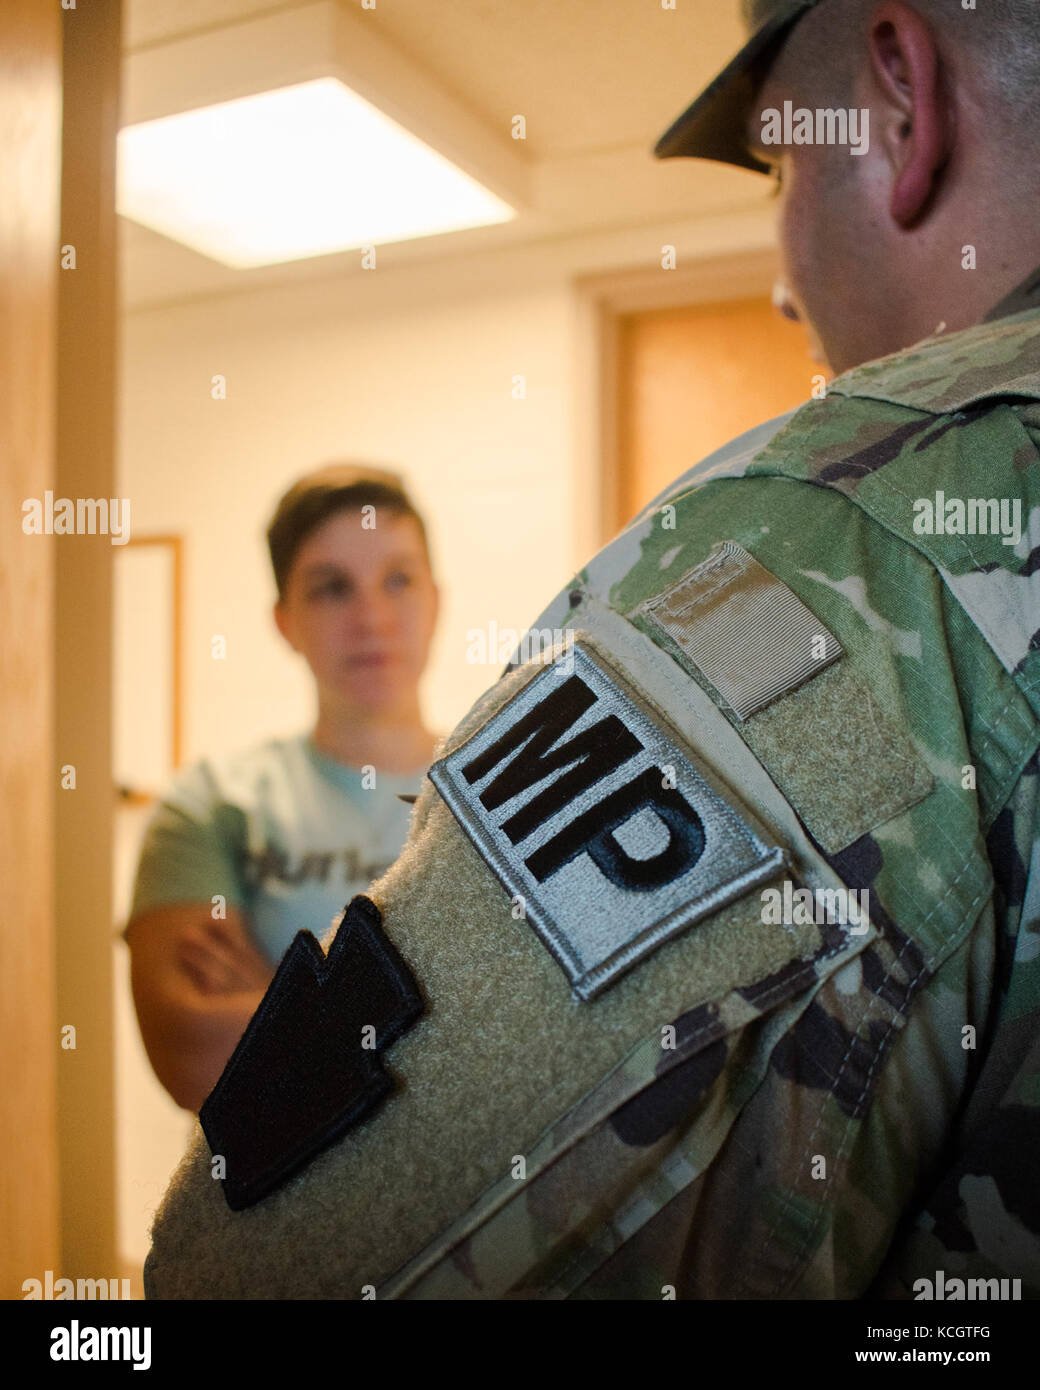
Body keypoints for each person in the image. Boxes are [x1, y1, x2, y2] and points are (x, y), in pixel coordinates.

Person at [143, 0, 1039, 1299]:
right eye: (333, 587)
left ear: (901, 102)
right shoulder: (217, 796)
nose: (782, 278)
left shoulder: (839, 551)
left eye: (780, 165)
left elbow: (265, 1267)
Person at [126, 466, 440, 1113]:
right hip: (272, 1212)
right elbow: (194, 1057)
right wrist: (443, 1025)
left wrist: (286, 1008)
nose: (372, 616)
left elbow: (552, 1050)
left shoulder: (501, 788)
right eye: (331, 589)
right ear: (284, 620)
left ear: (436, 599)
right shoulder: (210, 803)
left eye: (399, 581)